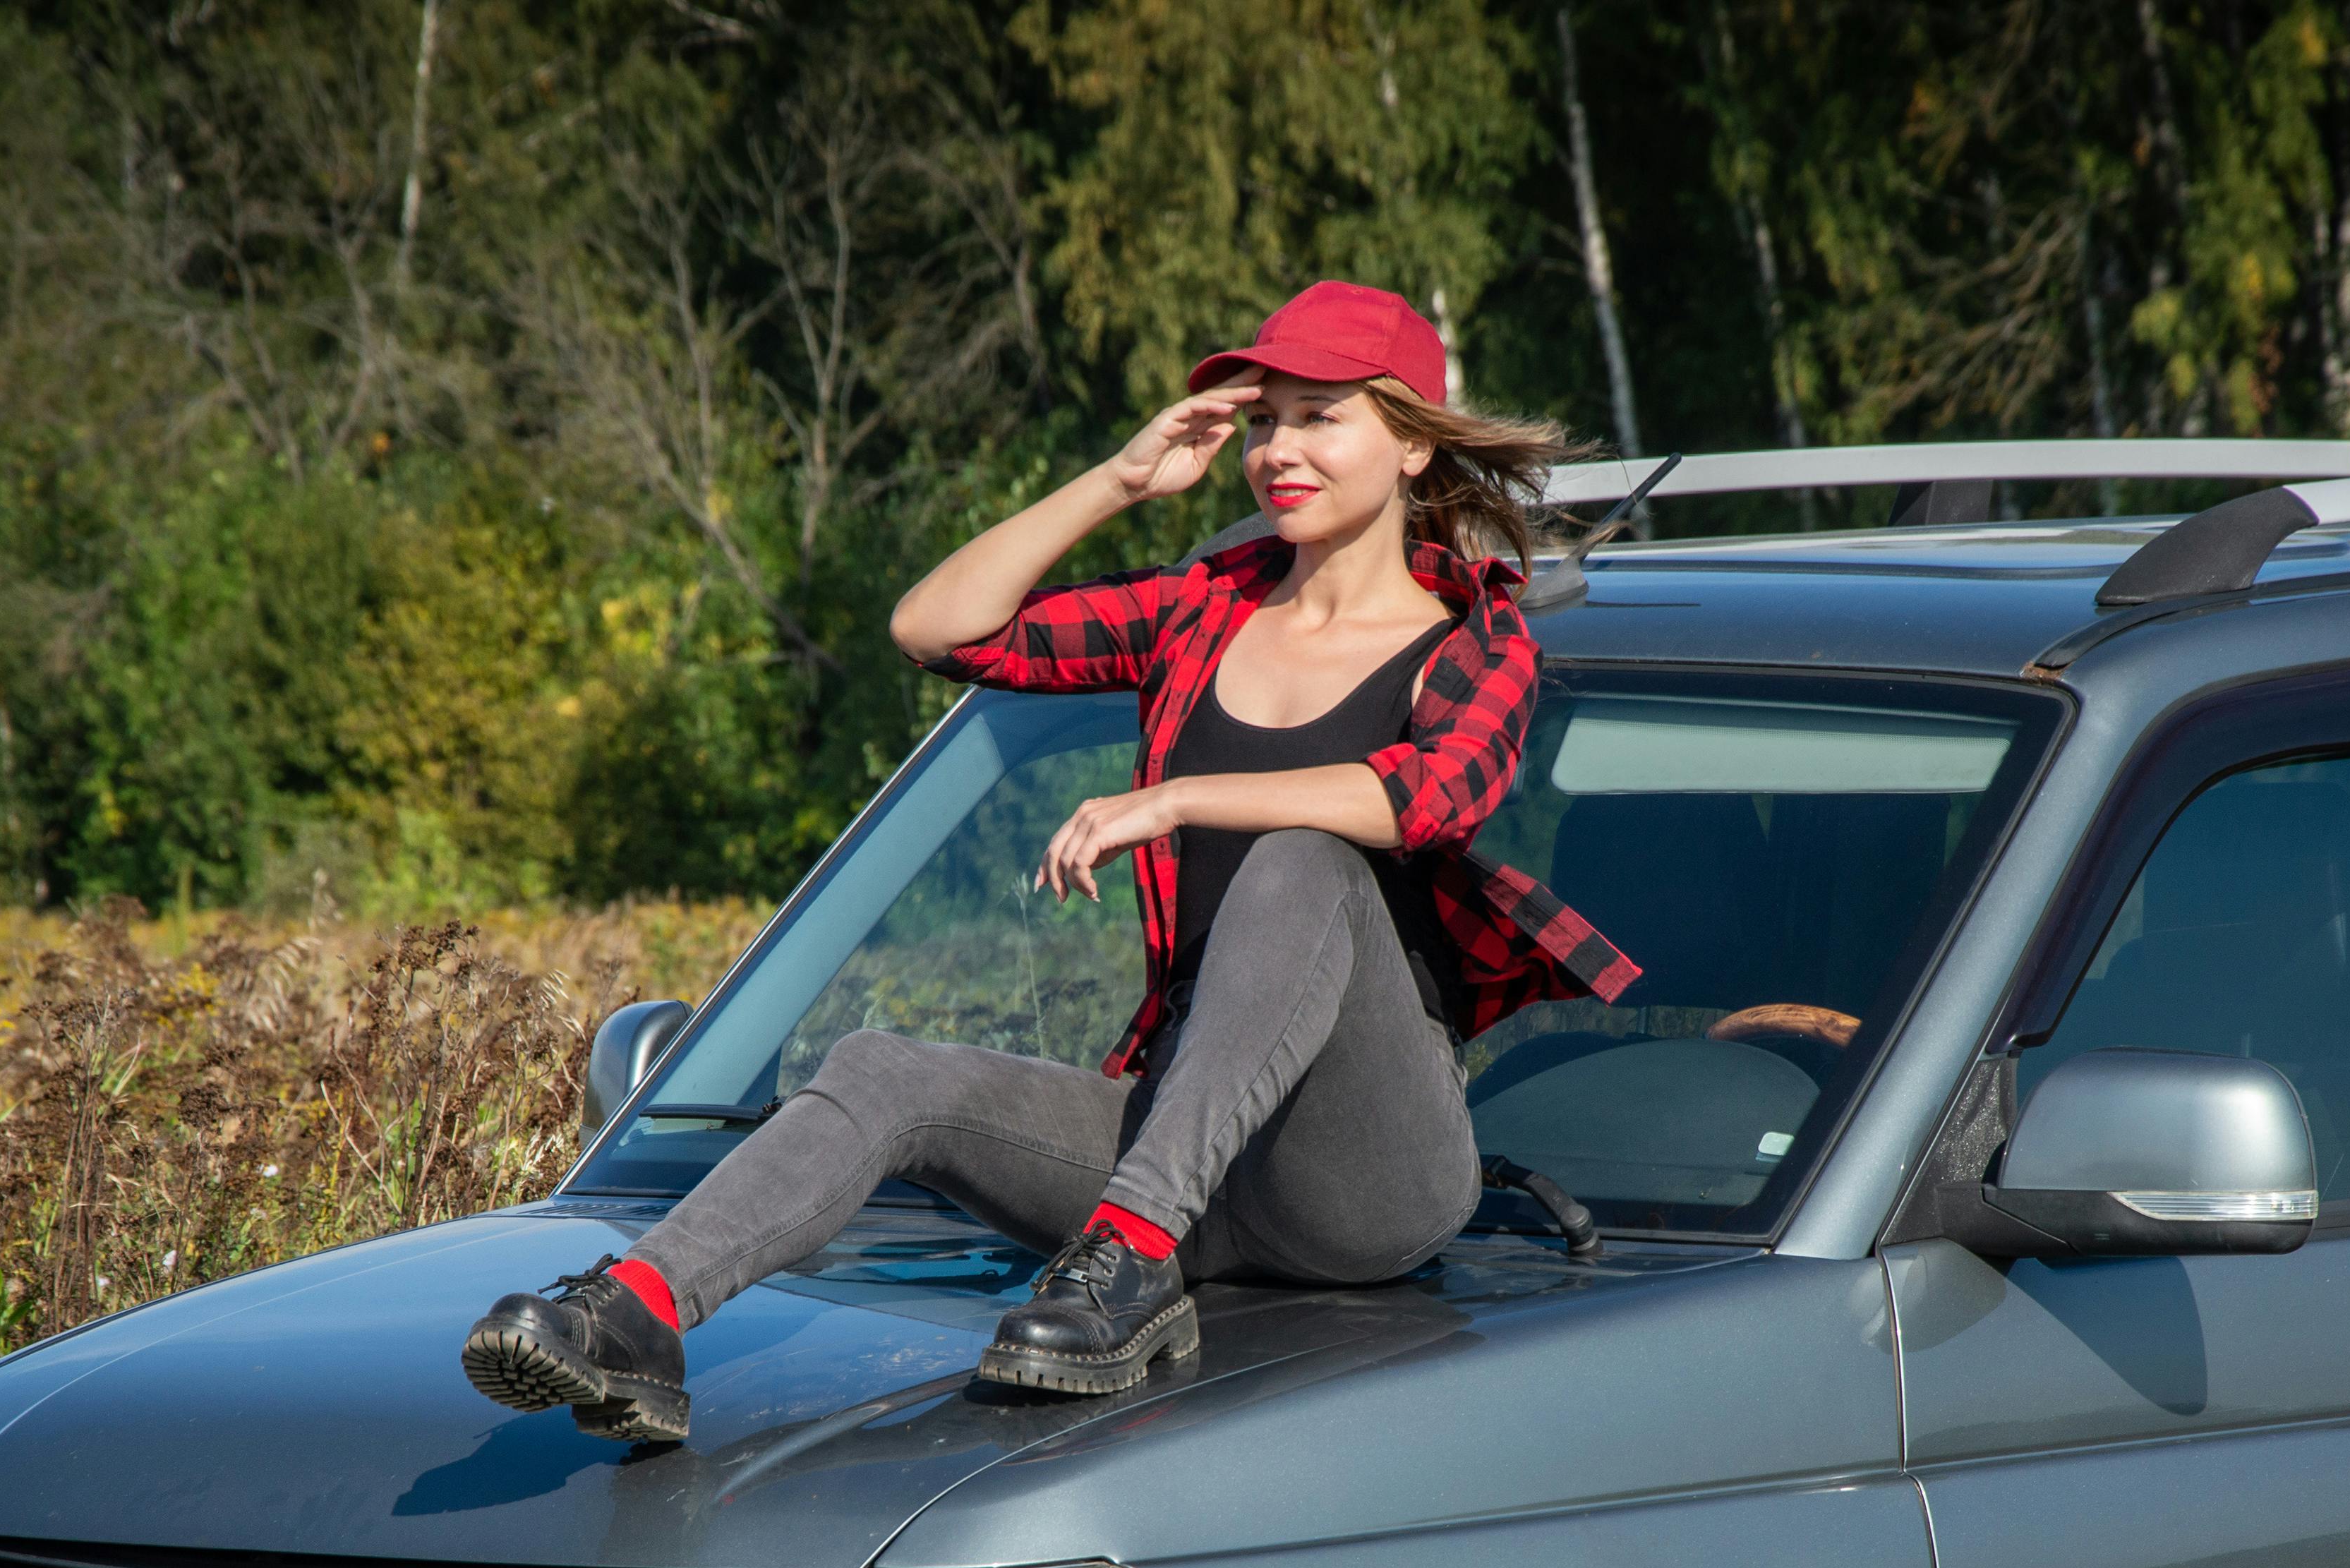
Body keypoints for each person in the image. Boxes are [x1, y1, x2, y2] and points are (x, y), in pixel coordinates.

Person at [461, 281, 1637, 1445]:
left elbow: (1428, 798)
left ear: (1415, 446)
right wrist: (1122, 480)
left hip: (1364, 1172)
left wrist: (1173, 797)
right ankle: (637, 1317)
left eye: (1320, 416)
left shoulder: (1476, 640)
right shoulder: (1200, 611)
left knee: (1301, 862)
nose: (1278, 447)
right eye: (1265, 417)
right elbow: (940, 631)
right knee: (879, 1068)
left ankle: (1125, 1267)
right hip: (1183, 1155)